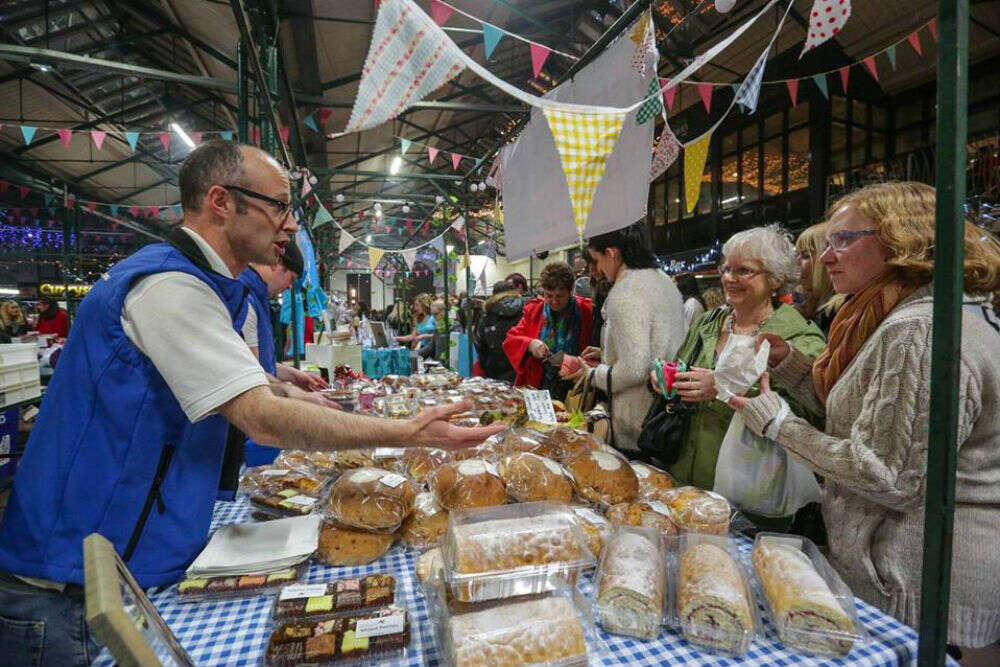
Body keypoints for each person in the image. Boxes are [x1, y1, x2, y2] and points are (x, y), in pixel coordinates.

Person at [0, 141, 502, 667]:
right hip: (71, 589)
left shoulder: (205, 286)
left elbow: (251, 386)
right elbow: (260, 416)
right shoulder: (169, 287)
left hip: (123, 562)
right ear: (221, 201)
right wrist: (405, 431)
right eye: (279, 205)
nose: (289, 226)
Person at [729, 182, 1000, 651]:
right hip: (902, 572)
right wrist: (790, 366)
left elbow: (887, 473)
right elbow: (868, 416)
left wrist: (779, 425)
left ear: (902, 241)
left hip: (917, 587)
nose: (826, 256)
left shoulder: (918, 329)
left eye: (844, 239)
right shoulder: (896, 313)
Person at [659, 225, 826, 524]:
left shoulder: (799, 337)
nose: (728, 278)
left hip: (753, 488)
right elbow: (682, 366)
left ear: (775, 278)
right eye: (726, 269)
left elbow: (809, 410)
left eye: (743, 271)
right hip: (687, 476)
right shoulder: (708, 323)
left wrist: (722, 388)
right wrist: (665, 378)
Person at [566, 225, 685, 453]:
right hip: (665, 414)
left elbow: (634, 369)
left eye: (596, 259)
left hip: (636, 424)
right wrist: (607, 352)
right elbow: (655, 343)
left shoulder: (626, 291)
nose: (597, 268)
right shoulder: (663, 280)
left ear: (611, 254)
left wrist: (590, 374)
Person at [238, 241, 332, 468]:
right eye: (291, 278)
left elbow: (260, 362)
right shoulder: (245, 302)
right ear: (277, 263)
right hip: (245, 429)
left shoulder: (257, 300)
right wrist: (294, 394)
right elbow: (252, 374)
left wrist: (292, 374)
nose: (290, 287)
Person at [502, 261, 593, 401]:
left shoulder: (586, 312)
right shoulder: (534, 311)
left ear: (571, 289)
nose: (554, 301)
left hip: (576, 390)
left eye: (560, 296)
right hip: (538, 388)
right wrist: (530, 344)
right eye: (549, 296)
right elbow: (510, 339)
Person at [794, 222, 843, 335]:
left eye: (806, 256)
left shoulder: (840, 312)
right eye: (797, 255)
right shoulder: (807, 306)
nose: (796, 263)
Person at [475, 280, 526, 383]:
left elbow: (480, 346)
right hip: (522, 372)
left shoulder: (488, 314)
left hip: (494, 373)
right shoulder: (527, 309)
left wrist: (486, 367)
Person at [395, 293, 436, 358]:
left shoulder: (433, 318)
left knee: (409, 356)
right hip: (422, 349)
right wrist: (396, 338)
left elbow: (439, 335)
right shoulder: (418, 319)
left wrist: (424, 336)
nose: (415, 308)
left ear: (424, 305)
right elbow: (412, 336)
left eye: (417, 305)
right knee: (403, 356)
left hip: (431, 350)